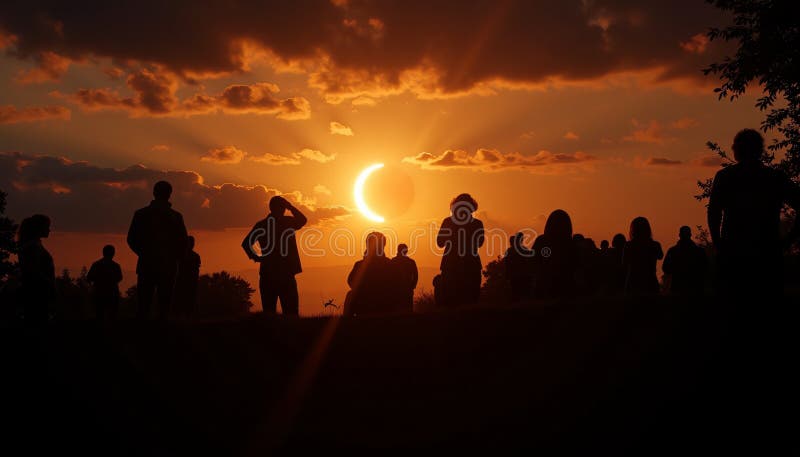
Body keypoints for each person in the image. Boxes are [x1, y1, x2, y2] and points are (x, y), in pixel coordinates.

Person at [708, 128, 800, 296]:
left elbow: (714, 213)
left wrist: (718, 244)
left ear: (736, 150)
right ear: (760, 150)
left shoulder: (725, 176)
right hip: (767, 253)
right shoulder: (775, 177)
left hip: (734, 252)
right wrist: (788, 241)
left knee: (732, 304)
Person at [127, 181, 188, 320]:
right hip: (168, 266)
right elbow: (183, 242)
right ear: (170, 195)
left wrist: (144, 253)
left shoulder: (141, 214)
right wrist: (175, 258)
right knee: (164, 306)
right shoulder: (176, 217)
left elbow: (131, 239)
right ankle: (162, 331)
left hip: (147, 265)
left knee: (144, 305)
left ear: (154, 193)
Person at [242, 195, 306, 316]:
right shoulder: (288, 222)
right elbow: (303, 220)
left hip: (268, 274)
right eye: (283, 207)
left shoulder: (262, 224)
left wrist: (257, 258)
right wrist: (291, 207)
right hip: (286, 274)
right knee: (291, 313)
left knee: (269, 313)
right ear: (282, 208)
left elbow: (246, 244)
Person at [436, 193, 485, 307]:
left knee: (451, 303)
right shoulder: (477, 223)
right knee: (470, 302)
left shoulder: (448, 222)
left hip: (451, 265)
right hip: (471, 265)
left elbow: (440, 243)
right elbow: (480, 243)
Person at [345, 232, 394, 316]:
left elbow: (350, 281)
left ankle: (348, 321)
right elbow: (396, 283)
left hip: (363, 303)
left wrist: (362, 290)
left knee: (350, 294)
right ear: (383, 246)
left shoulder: (359, 265)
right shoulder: (390, 264)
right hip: (384, 302)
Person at [17, 214, 55, 322]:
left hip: (36, 291)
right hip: (36, 293)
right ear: (39, 228)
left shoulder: (32, 245)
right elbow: (33, 270)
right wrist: (48, 285)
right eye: (47, 226)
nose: (49, 230)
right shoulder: (32, 246)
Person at [532, 210, 576, 300]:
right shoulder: (571, 244)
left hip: (545, 283)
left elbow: (533, 260)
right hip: (566, 284)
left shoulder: (541, 240)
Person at [622, 217, 663, 296]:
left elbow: (624, 263)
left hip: (633, 282)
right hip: (650, 281)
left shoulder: (628, 245)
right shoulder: (655, 245)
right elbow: (660, 256)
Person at [662, 226, 707, 296]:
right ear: (690, 235)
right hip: (695, 288)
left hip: (678, 287)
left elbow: (666, 268)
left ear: (679, 235)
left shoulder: (673, 251)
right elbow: (705, 268)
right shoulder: (699, 251)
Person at [86, 245, 123, 320]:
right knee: (112, 316)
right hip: (112, 293)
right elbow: (119, 278)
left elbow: (89, 277)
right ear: (113, 253)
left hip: (99, 293)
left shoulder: (96, 264)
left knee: (99, 315)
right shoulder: (116, 266)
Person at [175, 236, 201, 317]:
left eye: (192, 243)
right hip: (186, 282)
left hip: (188, 282)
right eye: (191, 243)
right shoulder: (193, 256)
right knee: (187, 300)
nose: (192, 245)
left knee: (188, 300)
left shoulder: (181, 256)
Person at [504, 232, 533, 302]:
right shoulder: (524, 250)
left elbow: (507, 263)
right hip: (520, 275)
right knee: (520, 294)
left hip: (518, 275)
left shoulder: (510, 251)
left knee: (517, 294)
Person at [390, 243, 418, 313]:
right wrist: (412, 286)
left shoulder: (393, 262)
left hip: (397, 290)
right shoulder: (411, 262)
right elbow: (416, 275)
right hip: (405, 290)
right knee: (407, 310)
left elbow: (415, 275)